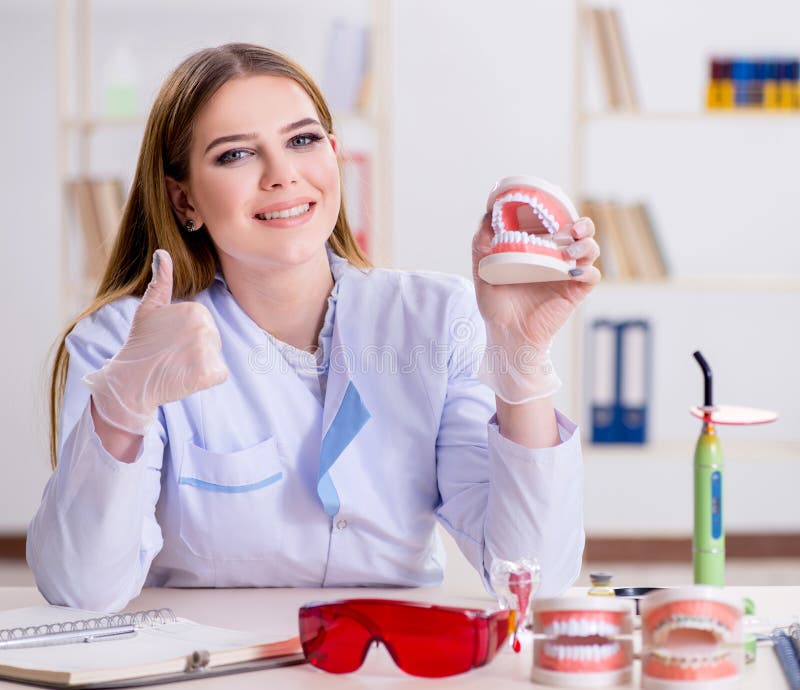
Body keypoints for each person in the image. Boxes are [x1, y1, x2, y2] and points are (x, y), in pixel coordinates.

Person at [27, 43, 600, 613]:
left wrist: (522, 355)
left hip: (386, 664)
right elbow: (81, 589)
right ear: (184, 200)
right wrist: (125, 403)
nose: (283, 175)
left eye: (301, 141)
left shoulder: (436, 317)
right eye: (234, 155)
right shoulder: (125, 343)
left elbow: (536, 575)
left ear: (333, 154)